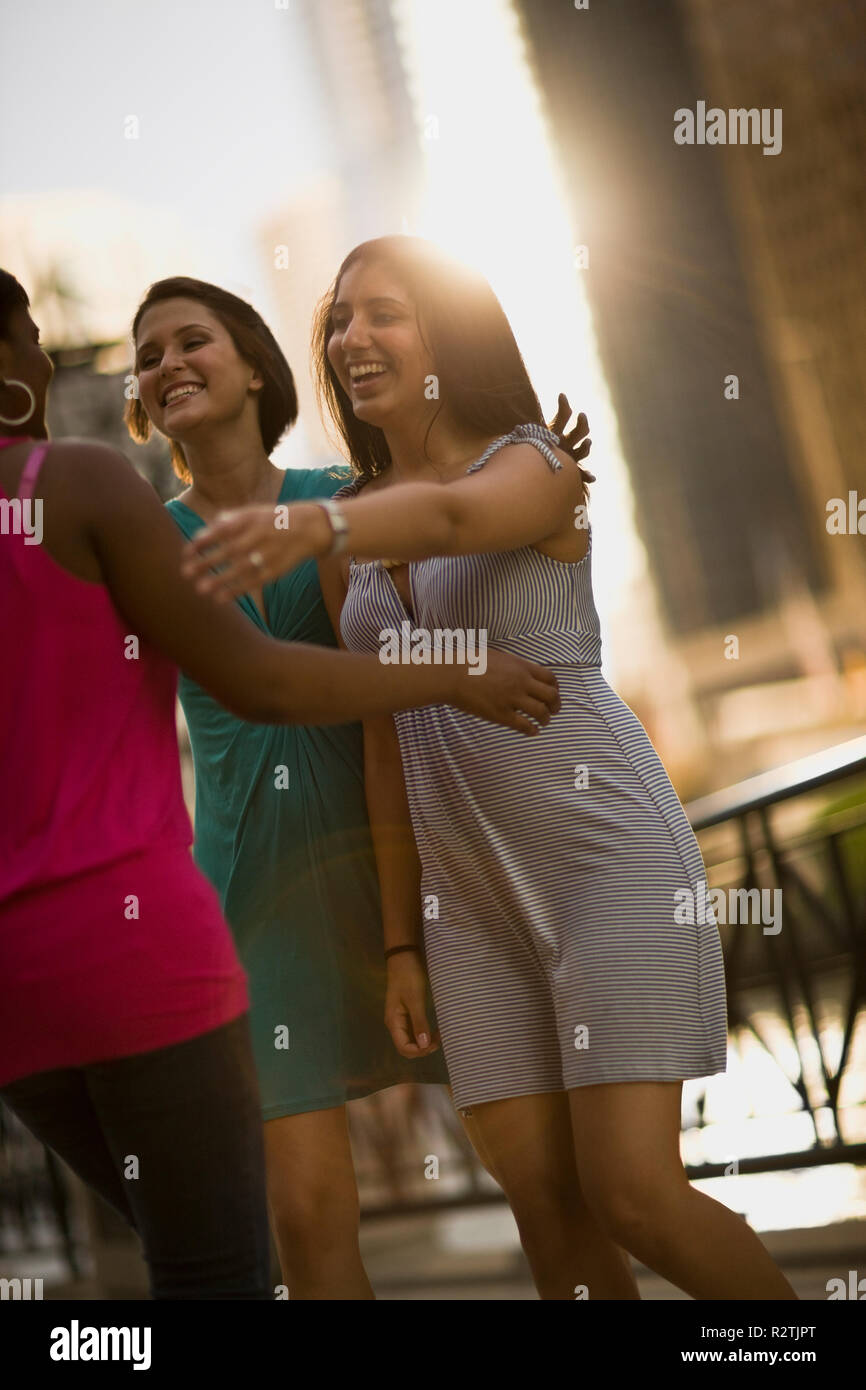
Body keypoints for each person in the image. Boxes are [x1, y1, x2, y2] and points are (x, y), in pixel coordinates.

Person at [185, 235, 798, 1301]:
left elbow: (460, 514)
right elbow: (381, 729)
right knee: (545, 1212)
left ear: (448, 334)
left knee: (633, 1195)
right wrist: (400, 943)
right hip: (460, 904)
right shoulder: (352, 532)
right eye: (337, 318)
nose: (351, 337)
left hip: (604, 865)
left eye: (385, 312)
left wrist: (319, 516)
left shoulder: (535, 462)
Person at [0, 268, 558, 1300]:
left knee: (533, 1175)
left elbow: (458, 537)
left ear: (256, 365)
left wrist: (533, 461)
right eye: (148, 354)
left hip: (399, 871)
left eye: (192, 340)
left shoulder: (341, 508)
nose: (168, 362)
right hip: (245, 899)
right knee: (297, 1217)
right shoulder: (126, 521)